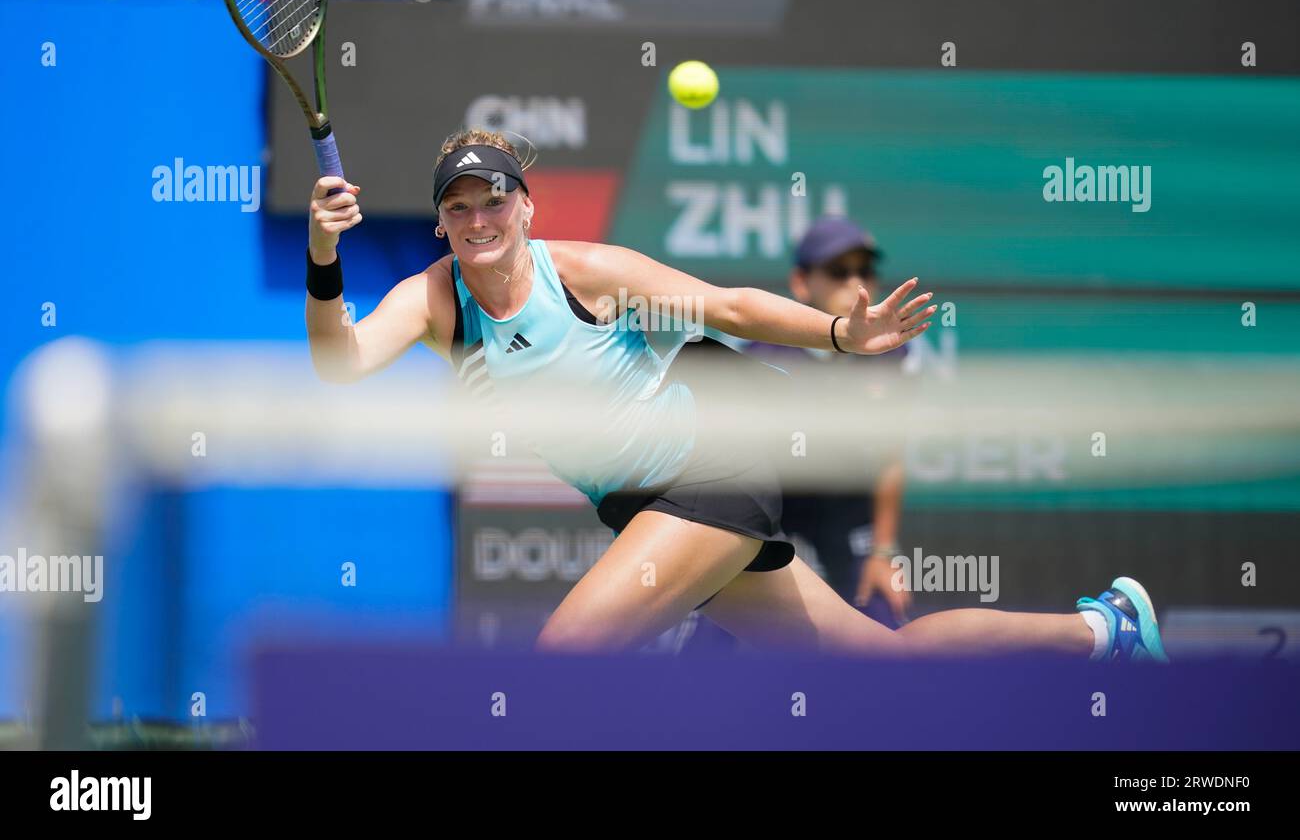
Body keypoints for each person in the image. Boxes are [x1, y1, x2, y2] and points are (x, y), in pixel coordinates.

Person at [303, 128, 1168, 663]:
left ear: (525, 206)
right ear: (442, 224)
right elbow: (340, 359)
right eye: (458, 209)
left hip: (709, 468)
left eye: (492, 200)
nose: (477, 220)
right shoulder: (434, 298)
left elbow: (726, 306)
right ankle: (1106, 630)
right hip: (645, 503)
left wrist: (840, 335)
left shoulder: (588, 274)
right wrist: (323, 251)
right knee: (879, 667)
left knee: (564, 657)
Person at [744, 216, 912, 628]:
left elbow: (891, 456)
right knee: (716, 640)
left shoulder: (891, 355)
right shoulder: (760, 358)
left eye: (865, 271)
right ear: (801, 283)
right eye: (838, 271)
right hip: (767, 514)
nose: (855, 283)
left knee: (884, 622)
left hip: (846, 515)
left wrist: (884, 553)